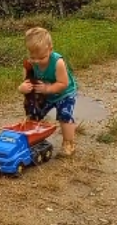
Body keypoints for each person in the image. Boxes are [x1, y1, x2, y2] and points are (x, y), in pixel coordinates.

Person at [18, 27, 78, 157]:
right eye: (33, 57)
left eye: (41, 58)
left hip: (64, 93)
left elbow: (63, 83)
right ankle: (36, 140)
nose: (36, 61)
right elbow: (27, 81)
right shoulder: (29, 64)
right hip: (45, 94)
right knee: (34, 114)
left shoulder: (58, 62)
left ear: (50, 49)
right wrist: (22, 88)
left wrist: (48, 89)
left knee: (65, 116)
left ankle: (68, 142)